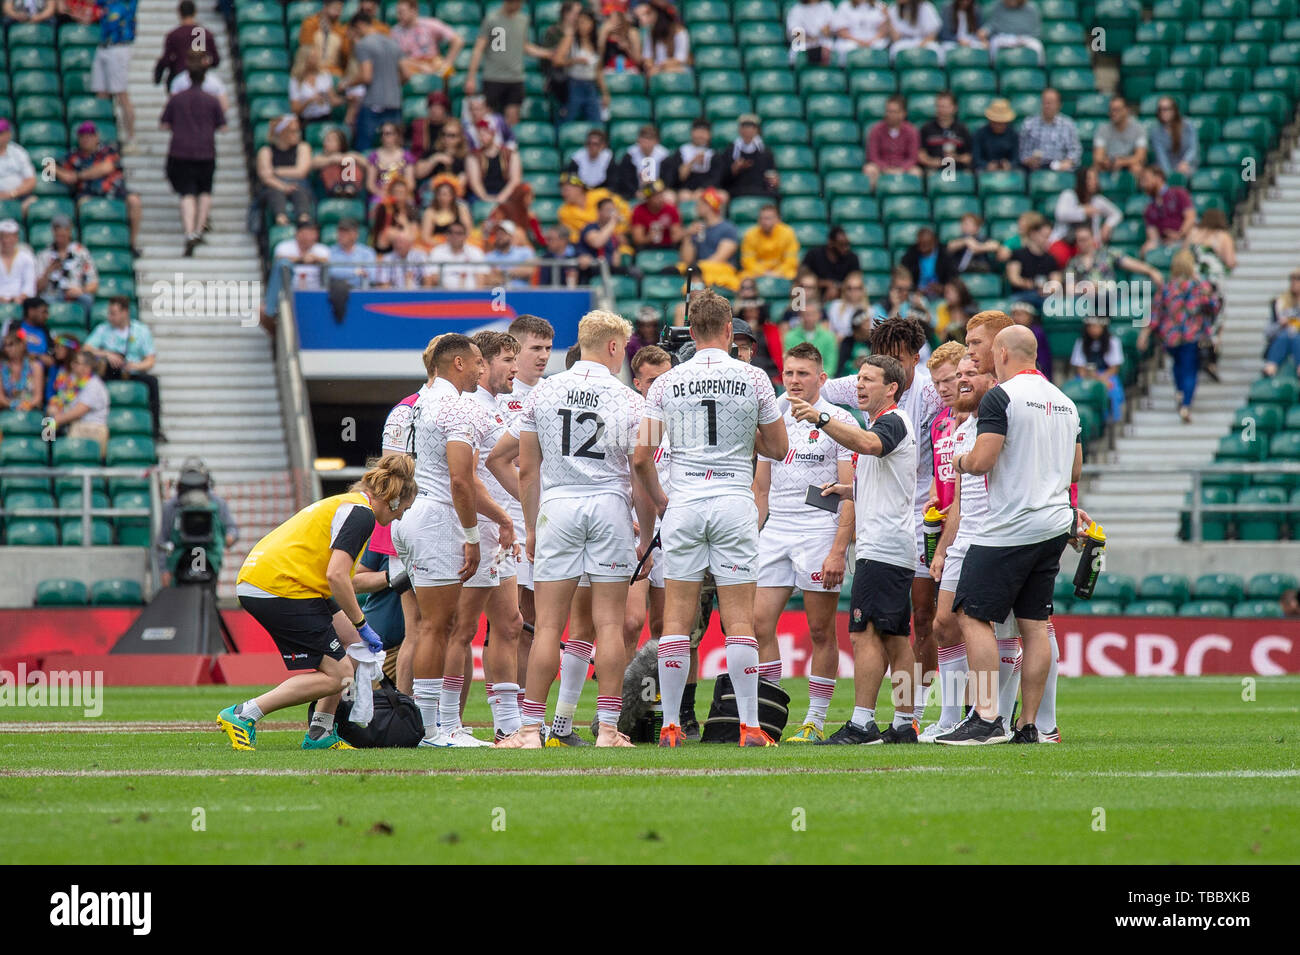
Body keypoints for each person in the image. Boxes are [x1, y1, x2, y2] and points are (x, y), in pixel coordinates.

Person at [634, 291, 789, 747]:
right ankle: (749, 726)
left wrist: (662, 501)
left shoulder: (665, 384)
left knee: (676, 623)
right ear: (728, 331)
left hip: (684, 502)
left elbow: (642, 455)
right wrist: (744, 441)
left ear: (691, 331)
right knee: (740, 621)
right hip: (733, 502)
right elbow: (779, 449)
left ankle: (670, 726)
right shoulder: (755, 378)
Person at [493, 312, 653, 749]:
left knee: (547, 626)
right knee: (608, 624)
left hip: (558, 506)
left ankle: (528, 730)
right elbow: (641, 470)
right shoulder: (631, 400)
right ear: (615, 347)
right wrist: (647, 535)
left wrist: (529, 527)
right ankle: (606, 729)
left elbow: (526, 469)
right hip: (608, 507)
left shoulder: (542, 392)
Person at [218, 454, 417, 751]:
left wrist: (360, 626)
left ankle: (320, 733)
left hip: (283, 582)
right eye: (404, 509)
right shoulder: (361, 515)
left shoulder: (350, 505)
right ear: (392, 500)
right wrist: (362, 624)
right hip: (278, 586)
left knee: (353, 646)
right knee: (339, 676)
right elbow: (337, 576)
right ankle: (244, 714)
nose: (401, 517)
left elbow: (346, 580)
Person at [942, 323, 1080, 745]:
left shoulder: (1002, 395)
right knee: (1035, 625)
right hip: (1055, 522)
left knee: (970, 612)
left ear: (1002, 352)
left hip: (1010, 524)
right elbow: (1075, 471)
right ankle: (1031, 725)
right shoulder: (1066, 402)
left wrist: (960, 461)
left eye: (980, 348)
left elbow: (983, 461)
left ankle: (987, 717)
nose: (976, 355)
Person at [790, 355, 920, 743]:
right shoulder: (888, 423)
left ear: (891, 388)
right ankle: (902, 723)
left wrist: (822, 418)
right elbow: (888, 477)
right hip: (892, 545)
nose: (860, 386)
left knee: (864, 633)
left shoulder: (891, 422)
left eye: (869, 380)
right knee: (896, 638)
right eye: (859, 379)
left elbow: (868, 445)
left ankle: (863, 722)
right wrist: (849, 490)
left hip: (882, 546)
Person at [389, 335, 496, 746]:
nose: (479, 370)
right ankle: (433, 728)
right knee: (439, 625)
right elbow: (460, 479)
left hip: (406, 513)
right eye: (476, 363)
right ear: (457, 363)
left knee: (429, 625)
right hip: (435, 516)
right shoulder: (457, 406)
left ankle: (434, 724)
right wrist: (472, 536)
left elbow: (391, 463)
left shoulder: (409, 406)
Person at [754, 344, 857, 741]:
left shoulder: (840, 420)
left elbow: (848, 490)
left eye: (803, 374)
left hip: (818, 530)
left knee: (819, 631)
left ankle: (815, 720)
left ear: (822, 379)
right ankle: (769, 713)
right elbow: (760, 486)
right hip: (776, 529)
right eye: (789, 373)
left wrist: (837, 549)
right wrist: (754, 533)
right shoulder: (774, 416)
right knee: (759, 624)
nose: (794, 381)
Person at [439, 330, 526, 742]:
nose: (516, 367)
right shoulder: (470, 407)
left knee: (510, 623)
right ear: (484, 363)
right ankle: (447, 723)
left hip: (496, 532)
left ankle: (508, 723)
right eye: (508, 360)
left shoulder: (496, 407)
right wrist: (502, 519)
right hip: (472, 529)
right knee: (462, 627)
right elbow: (468, 478)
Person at [926, 346, 999, 739]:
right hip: (962, 530)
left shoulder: (995, 417)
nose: (947, 387)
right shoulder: (949, 427)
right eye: (938, 382)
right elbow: (955, 493)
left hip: (997, 533)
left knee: (1000, 629)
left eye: (954, 378)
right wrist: (942, 548)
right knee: (944, 623)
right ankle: (952, 716)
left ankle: (999, 713)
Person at [1139, 249, 1220, 422]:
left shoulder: (1167, 287)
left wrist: (1145, 334)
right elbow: (1213, 307)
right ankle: (1185, 404)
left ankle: (1179, 391)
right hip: (1192, 335)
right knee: (1190, 369)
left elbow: (1156, 312)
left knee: (1178, 364)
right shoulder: (1199, 286)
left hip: (1171, 336)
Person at [160, 52, 226, 256]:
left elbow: (164, 124)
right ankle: (199, 229)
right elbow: (223, 126)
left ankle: (189, 232)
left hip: (180, 150)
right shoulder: (212, 100)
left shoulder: (177, 99)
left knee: (186, 193)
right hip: (206, 151)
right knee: (205, 191)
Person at [82, 295, 163, 441]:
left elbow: (150, 359)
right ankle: (50, 441)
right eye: (109, 313)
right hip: (110, 371)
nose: (110, 317)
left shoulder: (140, 330)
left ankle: (155, 430)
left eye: (113, 313)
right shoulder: (103, 329)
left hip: (131, 371)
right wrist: (107, 354)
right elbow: (86, 349)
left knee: (153, 382)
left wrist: (135, 366)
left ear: (125, 312)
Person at [55, 123, 143, 255]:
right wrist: (63, 174)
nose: (86, 139)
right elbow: (47, 165)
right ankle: (83, 244)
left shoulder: (108, 150)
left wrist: (78, 175)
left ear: (97, 137)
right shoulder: (74, 155)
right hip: (88, 193)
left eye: (90, 136)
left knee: (134, 200)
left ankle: (131, 244)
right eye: (83, 136)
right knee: (80, 204)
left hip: (115, 191)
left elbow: (106, 167)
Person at [465, 0, 549, 129]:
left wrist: (548, 54)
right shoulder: (491, 19)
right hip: (493, 77)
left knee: (513, 117)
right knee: (489, 118)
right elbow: (479, 48)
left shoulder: (523, 20)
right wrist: (471, 77)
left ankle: (510, 146)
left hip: (515, 77)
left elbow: (525, 46)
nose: (519, 6)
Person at [155, 457, 238, 585]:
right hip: (180, 558)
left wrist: (229, 537)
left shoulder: (217, 503)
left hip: (210, 556)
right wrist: (164, 570)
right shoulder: (171, 506)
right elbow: (162, 540)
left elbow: (232, 528)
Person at [350, 11, 404, 151]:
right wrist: (392, 83)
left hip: (373, 104)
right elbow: (407, 73)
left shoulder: (363, 44)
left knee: (364, 147)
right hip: (394, 102)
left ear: (360, 26)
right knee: (395, 147)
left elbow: (366, 76)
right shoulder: (393, 43)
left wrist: (346, 84)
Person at [1050, 164, 1122, 265]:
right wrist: (1084, 211)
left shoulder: (1098, 200)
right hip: (1066, 241)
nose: (1093, 182)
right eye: (1089, 179)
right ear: (1081, 180)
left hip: (1088, 243)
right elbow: (1060, 214)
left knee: (1095, 255)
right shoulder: (1069, 195)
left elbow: (1117, 213)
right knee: (1058, 254)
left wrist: (1107, 226)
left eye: (1095, 179)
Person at [44, 348, 110, 455]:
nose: (72, 365)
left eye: (77, 363)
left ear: (87, 367)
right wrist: (54, 409)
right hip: (76, 427)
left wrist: (55, 420)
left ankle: (49, 454)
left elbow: (79, 411)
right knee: (48, 418)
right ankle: (48, 456)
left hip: (90, 430)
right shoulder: (74, 382)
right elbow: (63, 401)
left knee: (49, 424)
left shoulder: (93, 385)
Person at [92, 0, 138, 150]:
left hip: (119, 46)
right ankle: (104, 137)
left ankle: (131, 137)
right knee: (101, 93)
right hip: (103, 45)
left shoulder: (127, 3)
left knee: (121, 93)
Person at [33, 217, 96, 323]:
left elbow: (94, 283)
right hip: (52, 295)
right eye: (58, 232)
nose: (61, 236)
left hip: (76, 293)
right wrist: (48, 271)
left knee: (87, 299)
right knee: (42, 302)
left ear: (69, 231)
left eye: (65, 231)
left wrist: (81, 291)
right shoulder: (44, 255)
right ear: (53, 232)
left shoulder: (81, 252)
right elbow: (37, 288)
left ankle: (86, 329)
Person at [256, 117, 314, 227]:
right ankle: (281, 219)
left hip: (298, 185)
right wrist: (284, 186)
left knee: (299, 190)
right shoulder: (266, 151)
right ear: (282, 133)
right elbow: (265, 177)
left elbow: (301, 172)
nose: (297, 134)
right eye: (293, 131)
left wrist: (275, 171)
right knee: (275, 192)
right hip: (275, 186)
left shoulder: (303, 147)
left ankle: (303, 219)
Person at [554, 8, 609, 124]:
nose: (581, 26)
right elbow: (557, 60)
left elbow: (598, 70)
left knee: (596, 121)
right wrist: (574, 61)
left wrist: (604, 92)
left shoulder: (597, 44)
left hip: (591, 85)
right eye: (579, 23)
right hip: (574, 84)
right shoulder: (571, 39)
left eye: (584, 22)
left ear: (592, 24)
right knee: (567, 119)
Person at [679, 188, 740, 290]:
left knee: (693, 274)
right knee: (680, 268)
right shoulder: (697, 228)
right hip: (700, 270)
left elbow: (719, 258)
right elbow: (687, 259)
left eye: (700, 204)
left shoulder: (728, 228)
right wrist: (688, 235)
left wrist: (697, 268)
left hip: (719, 270)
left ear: (709, 206)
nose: (697, 208)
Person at [1070, 316, 1126, 422]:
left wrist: (1100, 378)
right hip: (1086, 376)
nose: (1093, 329)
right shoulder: (1081, 342)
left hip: (1106, 375)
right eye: (1090, 326)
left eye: (1096, 326)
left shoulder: (1113, 342)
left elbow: (1114, 368)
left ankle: (1110, 420)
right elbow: (1080, 368)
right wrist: (1089, 377)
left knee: (1111, 390)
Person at [392, 0, 463, 80]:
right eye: (398, 13)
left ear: (413, 10)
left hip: (432, 63)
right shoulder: (395, 31)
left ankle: (440, 91)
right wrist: (419, 66)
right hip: (410, 65)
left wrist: (447, 63)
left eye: (402, 12)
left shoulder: (430, 24)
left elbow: (457, 41)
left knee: (447, 71)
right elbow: (397, 58)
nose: (399, 16)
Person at [154, 1, 217, 89]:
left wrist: (158, 76)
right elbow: (215, 60)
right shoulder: (205, 34)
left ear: (179, 13)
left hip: (179, 77)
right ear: (195, 12)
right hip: (201, 80)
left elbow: (166, 59)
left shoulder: (174, 35)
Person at [864, 95, 922, 190]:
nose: (890, 115)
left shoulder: (911, 131)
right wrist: (885, 168)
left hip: (903, 168)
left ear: (903, 113)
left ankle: (910, 200)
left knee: (916, 172)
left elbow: (913, 157)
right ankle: (875, 200)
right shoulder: (876, 130)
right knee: (870, 169)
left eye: (894, 112)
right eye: (888, 111)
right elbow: (873, 156)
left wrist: (901, 169)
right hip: (882, 167)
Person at [1005, 212, 1060, 311]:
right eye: (1044, 236)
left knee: (1056, 305)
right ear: (1033, 234)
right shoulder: (1018, 254)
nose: (1047, 240)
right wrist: (1030, 284)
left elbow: (1056, 282)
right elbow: (1014, 278)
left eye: (1049, 237)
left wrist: (1048, 289)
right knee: (1017, 305)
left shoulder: (1051, 259)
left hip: (1043, 297)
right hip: (1022, 295)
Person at [1139, 165, 1196, 257]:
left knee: (1192, 237)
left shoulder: (1178, 193)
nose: (1143, 184)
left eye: (1146, 179)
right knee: (1146, 249)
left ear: (1158, 178)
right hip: (1165, 241)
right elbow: (1153, 236)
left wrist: (1179, 234)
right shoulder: (1149, 207)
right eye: (1142, 181)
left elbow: (1190, 218)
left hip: (1184, 237)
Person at [465, 119, 522, 210]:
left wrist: (501, 197)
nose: (482, 136)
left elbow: (515, 180)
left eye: (485, 133)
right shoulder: (473, 157)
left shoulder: (510, 154)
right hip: (482, 195)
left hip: (504, 193)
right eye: (479, 134)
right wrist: (485, 198)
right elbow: (475, 183)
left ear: (493, 133)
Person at [1019, 88, 1080, 171]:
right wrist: (1029, 160)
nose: (1047, 105)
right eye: (1045, 102)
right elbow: (1022, 152)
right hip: (1036, 169)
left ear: (1059, 105)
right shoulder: (1028, 124)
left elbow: (1075, 151)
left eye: (1051, 102)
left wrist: (1068, 162)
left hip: (1060, 169)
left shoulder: (1068, 125)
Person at [665, 119, 724, 203]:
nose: (700, 136)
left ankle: (714, 216)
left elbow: (717, 178)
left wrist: (703, 190)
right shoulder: (682, 152)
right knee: (684, 196)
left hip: (707, 191)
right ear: (692, 133)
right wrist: (692, 161)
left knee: (721, 196)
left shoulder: (714, 154)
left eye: (704, 133)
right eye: (698, 132)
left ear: (709, 135)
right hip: (686, 191)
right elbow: (678, 177)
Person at [723, 115, 779, 199]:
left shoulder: (765, 152)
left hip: (761, 190)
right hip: (737, 191)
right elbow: (723, 181)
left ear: (757, 130)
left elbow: (771, 179)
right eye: (745, 127)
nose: (748, 130)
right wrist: (734, 170)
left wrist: (774, 182)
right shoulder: (730, 150)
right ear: (740, 130)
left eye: (751, 127)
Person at [609, 125, 669, 201]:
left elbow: (667, 179)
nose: (646, 142)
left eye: (650, 139)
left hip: (658, 192)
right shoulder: (630, 156)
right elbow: (624, 179)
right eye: (644, 139)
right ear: (638, 140)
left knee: (669, 196)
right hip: (634, 192)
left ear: (656, 141)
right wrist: (636, 192)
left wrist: (651, 191)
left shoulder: (664, 156)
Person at [741, 205, 800, 282]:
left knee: (794, 276)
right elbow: (748, 260)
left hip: (782, 271)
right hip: (757, 272)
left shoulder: (788, 233)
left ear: (778, 220)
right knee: (743, 277)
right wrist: (763, 272)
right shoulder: (750, 234)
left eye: (768, 218)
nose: (764, 222)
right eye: (761, 218)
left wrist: (778, 272)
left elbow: (791, 260)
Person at [918, 90, 973, 173]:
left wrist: (956, 158)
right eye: (939, 106)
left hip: (957, 170)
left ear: (955, 108)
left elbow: (969, 157)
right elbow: (921, 155)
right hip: (933, 171)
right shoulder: (926, 128)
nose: (941, 110)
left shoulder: (962, 129)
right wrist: (931, 161)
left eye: (944, 107)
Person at [803, 226, 861, 303]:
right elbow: (801, 278)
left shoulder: (852, 257)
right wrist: (826, 284)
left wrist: (836, 286)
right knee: (799, 291)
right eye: (841, 244)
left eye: (847, 244)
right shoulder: (814, 254)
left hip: (843, 296)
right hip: (814, 294)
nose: (846, 248)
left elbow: (856, 280)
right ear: (830, 243)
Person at [1093, 95, 1147, 175]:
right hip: (1109, 164)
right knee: (1094, 169)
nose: (1113, 113)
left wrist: (1123, 162)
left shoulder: (1139, 128)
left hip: (1129, 163)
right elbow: (1098, 156)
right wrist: (1104, 161)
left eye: (1117, 110)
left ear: (1126, 110)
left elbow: (1140, 156)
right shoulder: (1102, 129)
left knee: (1137, 168)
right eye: (1111, 110)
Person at [365, 122, 417, 205]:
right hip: (381, 193)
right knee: (377, 204)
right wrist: (381, 193)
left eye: (388, 133)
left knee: (409, 203)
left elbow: (411, 183)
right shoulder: (374, 156)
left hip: (402, 193)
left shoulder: (406, 156)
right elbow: (370, 184)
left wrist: (399, 193)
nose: (384, 136)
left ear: (396, 135)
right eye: (382, 133)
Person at [1186, 208, 1236, 291]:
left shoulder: (1192, 233)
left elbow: (1183, 255)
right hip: (1213, 276)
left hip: (1192, 275)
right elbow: (1230, 261)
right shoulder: (1223, 236)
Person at [900, 226, 958, 299]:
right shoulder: (910, 255)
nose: (923, 247)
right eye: (921, 244)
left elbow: (953, 278)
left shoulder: (945, 255)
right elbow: (903, 274)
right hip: (917, 295)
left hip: (942, 295)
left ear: (934, 242)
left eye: (927, 243)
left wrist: (943, 288)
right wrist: (915, 289)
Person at [426, 220, 486, 289]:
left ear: (465, 236)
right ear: (447, 235)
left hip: (471, 297)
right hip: (444, 296)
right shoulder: (437, 251)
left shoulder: (475, 252)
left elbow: (481, 280)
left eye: (459, 233)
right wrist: (452, 295)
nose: (455, 236)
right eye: (451, 232)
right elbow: (434, 277)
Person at [978, 0, 1042, 64]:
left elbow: (1036, 31)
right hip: (1004, 37)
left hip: (1025, 38)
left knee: (1037, 46)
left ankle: (1039, 69)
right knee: (994, 42)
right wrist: (985, 30)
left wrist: (1022, 40)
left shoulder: (1031, 8)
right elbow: (992, 24)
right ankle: (993, 67)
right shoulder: (998, 6)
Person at [1149, 96, 1198, 178]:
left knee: (1186, 173)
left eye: (1166, 109)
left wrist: (1185, 162)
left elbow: (1193, 148)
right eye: (1160, 110)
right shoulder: (1155, 131)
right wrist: (1168, 174)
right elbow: (1161, 156)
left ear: (1174, 110)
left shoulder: (1187, 125)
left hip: (1186, 165)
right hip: (1165, 167)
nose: (1163, 113)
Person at [1263, 268, 1300, 378]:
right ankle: (1272, 366)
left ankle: (1272, 365)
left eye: (1298, 279)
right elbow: (1267, 332)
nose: (1294, 282)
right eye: (1292, 279)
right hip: (1281, 341)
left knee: (1295, 336)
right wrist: (1280, 324)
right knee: (1286, 335)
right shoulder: (1280, 303)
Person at [290, 46, 341, 125]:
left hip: (325, 118)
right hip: (307, 120)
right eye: (313, 57)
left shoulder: (324, 75)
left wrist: (344, 99)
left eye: (316, 57)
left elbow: (333, 100)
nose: (316, 60)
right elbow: (295, 109)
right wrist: (309, 101)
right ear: (305, 60)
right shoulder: (296, 80)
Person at [298, 0, 350, 77]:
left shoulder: (341, 31)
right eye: (335, 8)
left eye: (340, 10)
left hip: (334, 72)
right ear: (325, 6)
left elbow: (345, 54)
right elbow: (306, 49)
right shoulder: (310, 23)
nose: (337, 13)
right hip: (312, 70)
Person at [629, 179, 681, 251]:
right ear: (648, 198)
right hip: (646, 248)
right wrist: (649, 238)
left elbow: (676, 236)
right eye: (656, 196)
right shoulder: (639, 210)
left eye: (661, 195)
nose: (660, 199)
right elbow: (637, 239)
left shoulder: (671, 209)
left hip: (668, 247)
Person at [0, 118, 37, 216]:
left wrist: (11, 194)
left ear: (8, 134)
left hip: (19, 197)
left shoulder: (18, 152)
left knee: (32, 204)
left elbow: (31, 181)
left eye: (0, 133)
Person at [0, 329, 43, 412]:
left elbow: (38, 397)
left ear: (21, 345)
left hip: (32, 409)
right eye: (5, 345)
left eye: (11, 345)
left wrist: (26, 405)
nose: (7, 349)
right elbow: (1, 398)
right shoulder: (1, 367)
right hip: (7, 409)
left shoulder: (35, 366)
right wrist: (13, 405)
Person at [643, 2, 690, 76]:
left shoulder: (680, 32)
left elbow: (680, 59)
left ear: (659, 15)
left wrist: (660, 67)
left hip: (675, 68)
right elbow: (647, 57)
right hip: (656, 69)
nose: (648, 18)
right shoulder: (650, 33)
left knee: (673, 71)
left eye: (650, 14)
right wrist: (650, 65)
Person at [483, 219, 534, 288]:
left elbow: (529, 271)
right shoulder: (489, 256)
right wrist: (516, 273)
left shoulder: (525, 252)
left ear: (511, 236)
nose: (499, 236)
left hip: (521, 295)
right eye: (497, 233)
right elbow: (486, 279)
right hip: (498, 296)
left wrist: (502, 273)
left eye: (503, 233)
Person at [327, 217, 377, 288]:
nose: (341, 235)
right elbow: (331, 272)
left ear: (356, 234)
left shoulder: (367, 252)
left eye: (346, 231)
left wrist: (343, 274)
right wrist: (355, 272)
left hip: (361, 292)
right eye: (340, 231)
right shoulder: (331, 251)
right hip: (337, 292)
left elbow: (372, 276)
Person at [972, 98, 1018, 171]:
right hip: (984, 170)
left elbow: (1016, 158)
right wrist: (986, 165)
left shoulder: (1013, 135)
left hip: (1008, 171)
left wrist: (1009, 164)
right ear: (990, 121)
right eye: (995, 123)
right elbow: (976, 158)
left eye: (1001, 123)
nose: (998, 126)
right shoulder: (980, 134)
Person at [1009, 300, 1051, 378]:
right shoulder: (1007, 333)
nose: (1015, 318)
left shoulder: (1038, 333)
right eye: (1013, 314)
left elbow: (1043, 362)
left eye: (1019, 314)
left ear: (1030, 316)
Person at [787, 0, 837, 65]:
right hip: (803, 42)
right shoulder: (797, 9)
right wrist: (809, 37)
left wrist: (829, 29)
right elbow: (793, 31)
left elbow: (835, 25)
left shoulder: (826, 6)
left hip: (824, 41)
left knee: (835, 51)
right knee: (796, 54)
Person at [826, 269, 871, 338]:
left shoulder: (870, 310)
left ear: (862, 290)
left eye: (857, 288)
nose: (853, 291)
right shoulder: (835, 306)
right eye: (849, 288)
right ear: (845, 289)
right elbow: (829, 331)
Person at [0, 219, 35, 303]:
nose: (6, 241)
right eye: (3, 237)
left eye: (9, 237)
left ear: (16, 238)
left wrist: (21, 298)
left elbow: (29, 285)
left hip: (22, 301)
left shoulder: (26, 258)